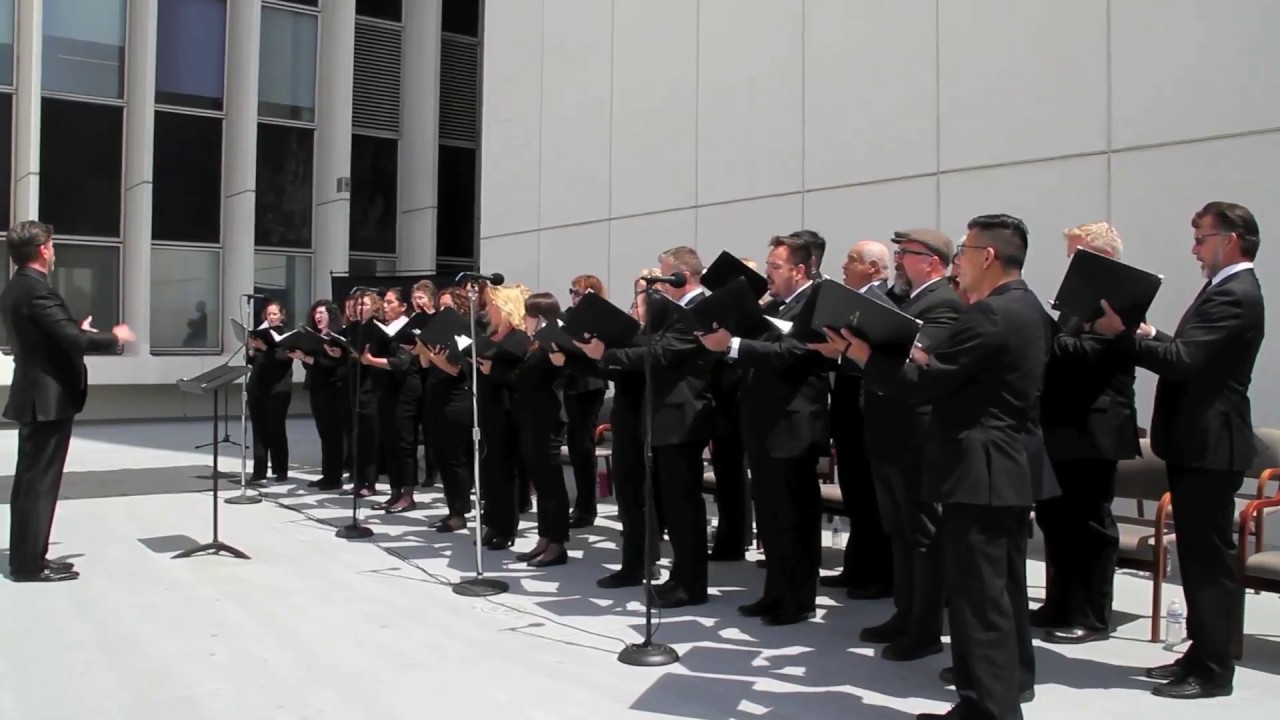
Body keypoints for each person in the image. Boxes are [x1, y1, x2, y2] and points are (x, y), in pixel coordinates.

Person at [842, 214, 1047, 720]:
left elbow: (925, 387)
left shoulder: (991, 315)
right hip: (1003, 465)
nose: (959, 262)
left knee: (981, 604)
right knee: (993, 597)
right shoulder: (1028, 308)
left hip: (981, 470)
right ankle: (978, 701)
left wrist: (865, 356)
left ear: (988, 256)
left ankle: (992, 710)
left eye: (965, 251)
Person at [1092, 201, 1264, 700]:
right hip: (1196, 445)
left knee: (1209, 563)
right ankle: (1198, 654)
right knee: (1196, 557)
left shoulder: (1237, 292)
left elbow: (1186, 363)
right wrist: (1150, 335)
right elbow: (1194, 354)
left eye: (1201, 238)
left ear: (1230, 239)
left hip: (1212, 446)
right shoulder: (1223, 288)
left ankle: (1214, 671)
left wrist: (1123, 337)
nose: (1194, 248)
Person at [2, 220, 134, 583]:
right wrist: (112, 338)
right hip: (46, 398)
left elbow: (53, 336)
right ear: (43, 248)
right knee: (38, 484)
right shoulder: (36, 290)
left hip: (38, 395)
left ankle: (32, 556)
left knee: (33, 481)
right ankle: (28, 565)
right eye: (53, 244)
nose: (55, 250)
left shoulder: (20, 287)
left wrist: (77, 331)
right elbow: (69, 339)